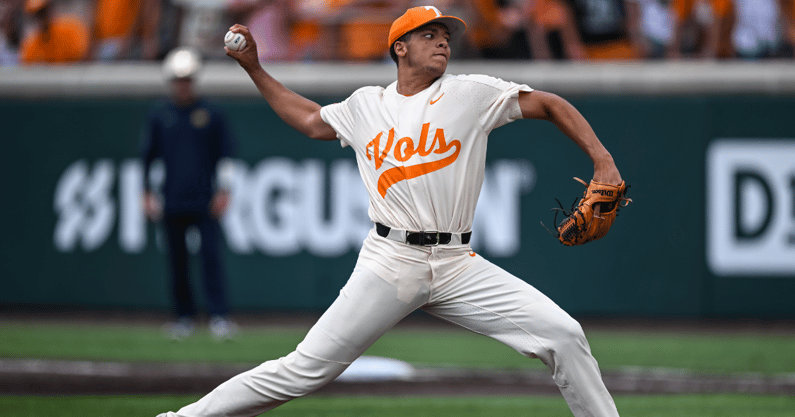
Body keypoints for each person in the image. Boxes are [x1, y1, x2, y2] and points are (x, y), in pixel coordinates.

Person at [157, 5, 623, 416]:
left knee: (564, 335)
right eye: (429, 34)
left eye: (445, 35)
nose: (442, 41)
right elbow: (310, 120)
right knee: (302, 371)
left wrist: (602, 160)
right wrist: (255, 68)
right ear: (400, 47)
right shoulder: (367, 105)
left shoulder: (470, 93)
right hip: (390, 260)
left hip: (458, 264)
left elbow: (549, 104)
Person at [141, 47, 239, 341]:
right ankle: (183, 316)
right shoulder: (160, 115)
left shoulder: (211, 114)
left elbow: (225, 156)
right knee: (177, 262)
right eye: (178, 80)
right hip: (172, 199)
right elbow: (148, 158)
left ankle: (219, 315)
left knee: (211, 258)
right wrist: (147, 193)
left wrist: (224, 191)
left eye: (187, 80)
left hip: (205, 199)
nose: (183, 86)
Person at [19, 0, 90, 64]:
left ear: (51, 9)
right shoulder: (31, 45)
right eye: (37, 15)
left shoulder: (72, 30)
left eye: (43, 12)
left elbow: (83, 59)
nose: (41, 18)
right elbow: (27, 65)